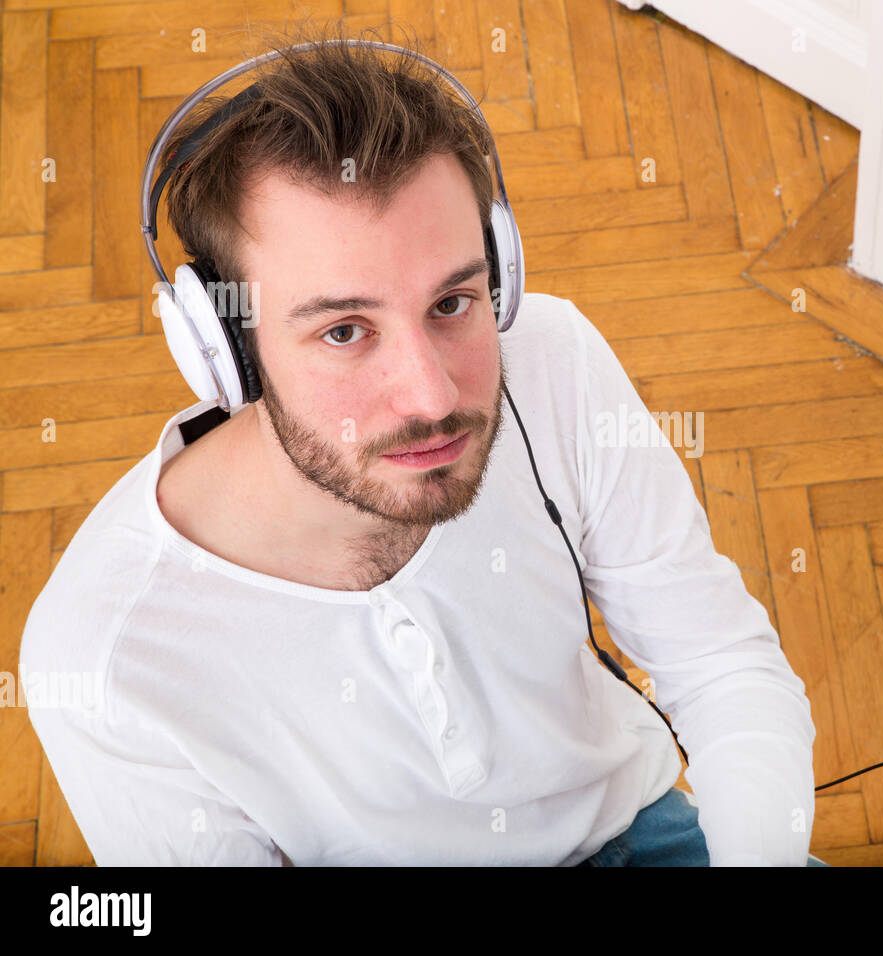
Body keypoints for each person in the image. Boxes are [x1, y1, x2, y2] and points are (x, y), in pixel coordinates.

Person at [19, 29, 824, 866]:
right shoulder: (106, 655)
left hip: (634, 831)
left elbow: (721, 663)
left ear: (499, 272)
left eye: (453, 303)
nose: (435, 398)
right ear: (223, 350)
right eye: (343, 330)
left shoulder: (550, 361)